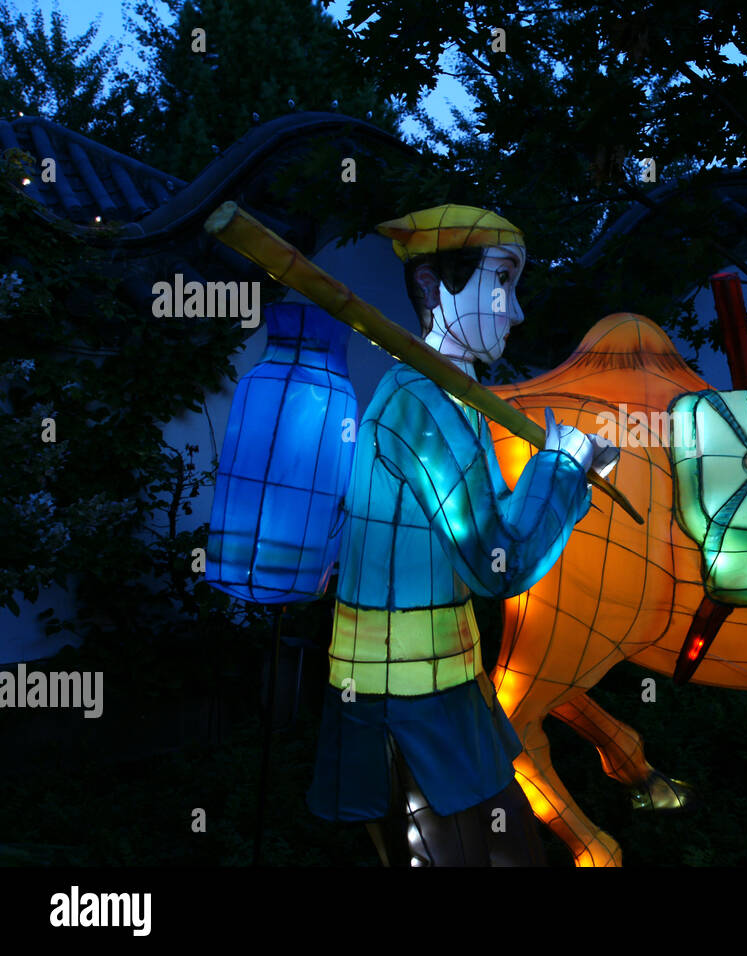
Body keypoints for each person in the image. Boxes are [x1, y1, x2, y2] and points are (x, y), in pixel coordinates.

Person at [306, 204, 610, 865]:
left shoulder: (448, 396)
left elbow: (492, 525)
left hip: (447, 677)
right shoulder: (420, 402)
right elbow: (497, 562)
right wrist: (561, 468)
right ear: (431, 284)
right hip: (401, 691)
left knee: (506, 850)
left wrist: (568, 472)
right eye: (502, 281)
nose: (516, 312)